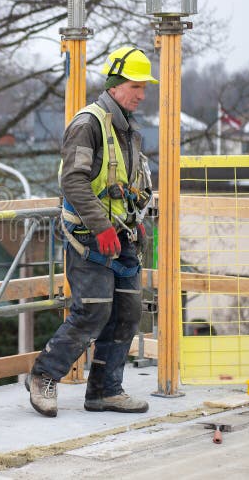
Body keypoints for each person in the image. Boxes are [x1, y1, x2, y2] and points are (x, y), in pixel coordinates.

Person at [26, 46, 155, 417]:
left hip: (123, 236)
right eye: (136, 86)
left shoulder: (128, 128)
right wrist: (100, 227)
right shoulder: (88, 124)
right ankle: (43, 376)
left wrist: (133, 218)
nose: (142, 95)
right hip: (90, 238)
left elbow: (127, 182)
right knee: (92, 313)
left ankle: (104, 391)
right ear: (115, 86)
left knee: (127, 315)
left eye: (145, 87)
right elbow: (74, 181)